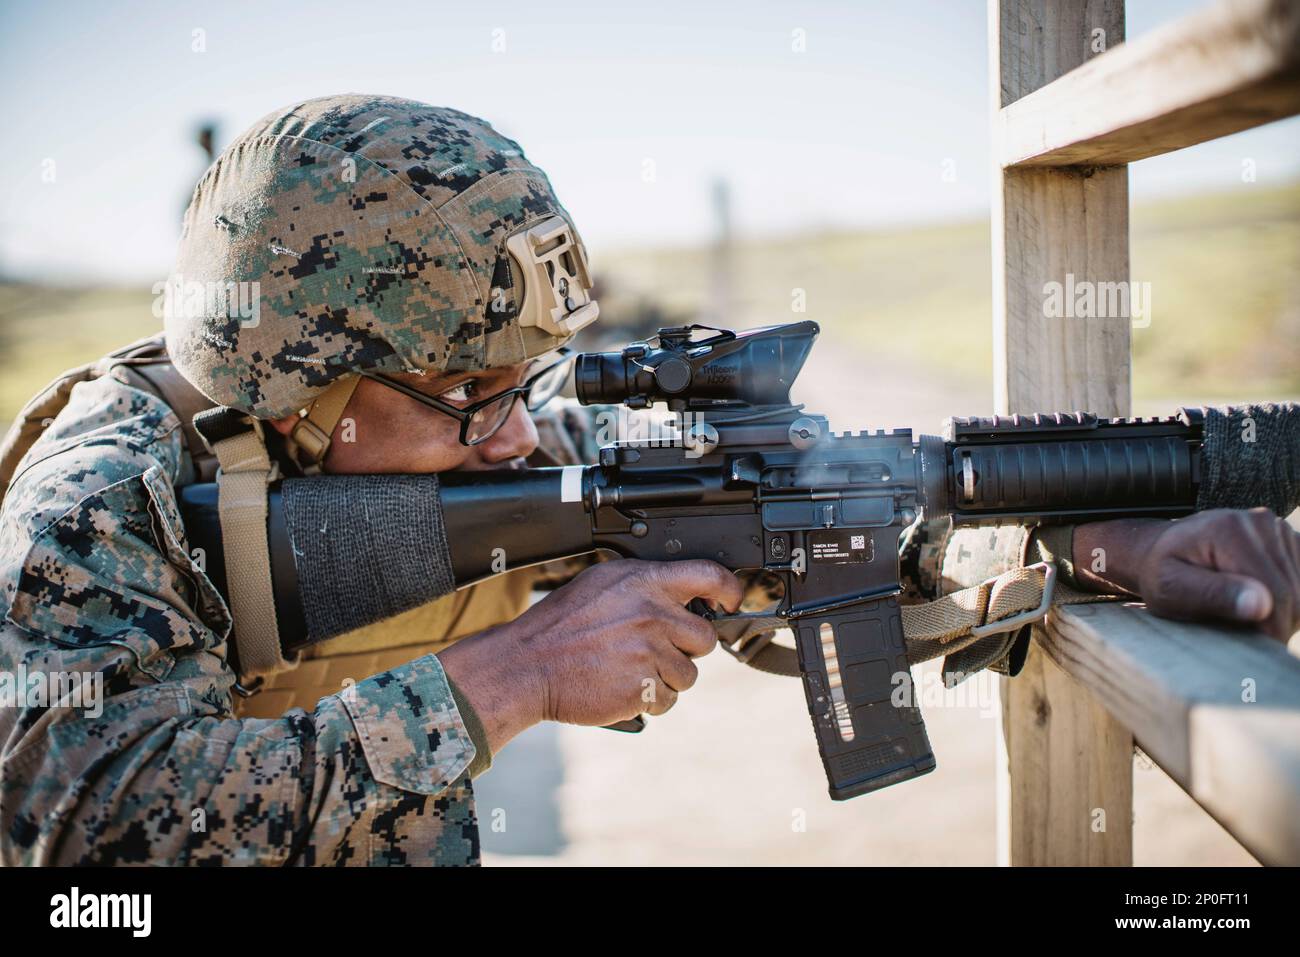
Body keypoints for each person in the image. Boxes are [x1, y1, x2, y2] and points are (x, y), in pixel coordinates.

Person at [1, 94, 1297, 867]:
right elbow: (73, 834)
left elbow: (817, 527)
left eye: (534, 379)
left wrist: (1068, 545)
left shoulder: (492, 435)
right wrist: (516, 676)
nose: (520, 434)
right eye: (473, 394)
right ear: (308, 385)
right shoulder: (100, 504)